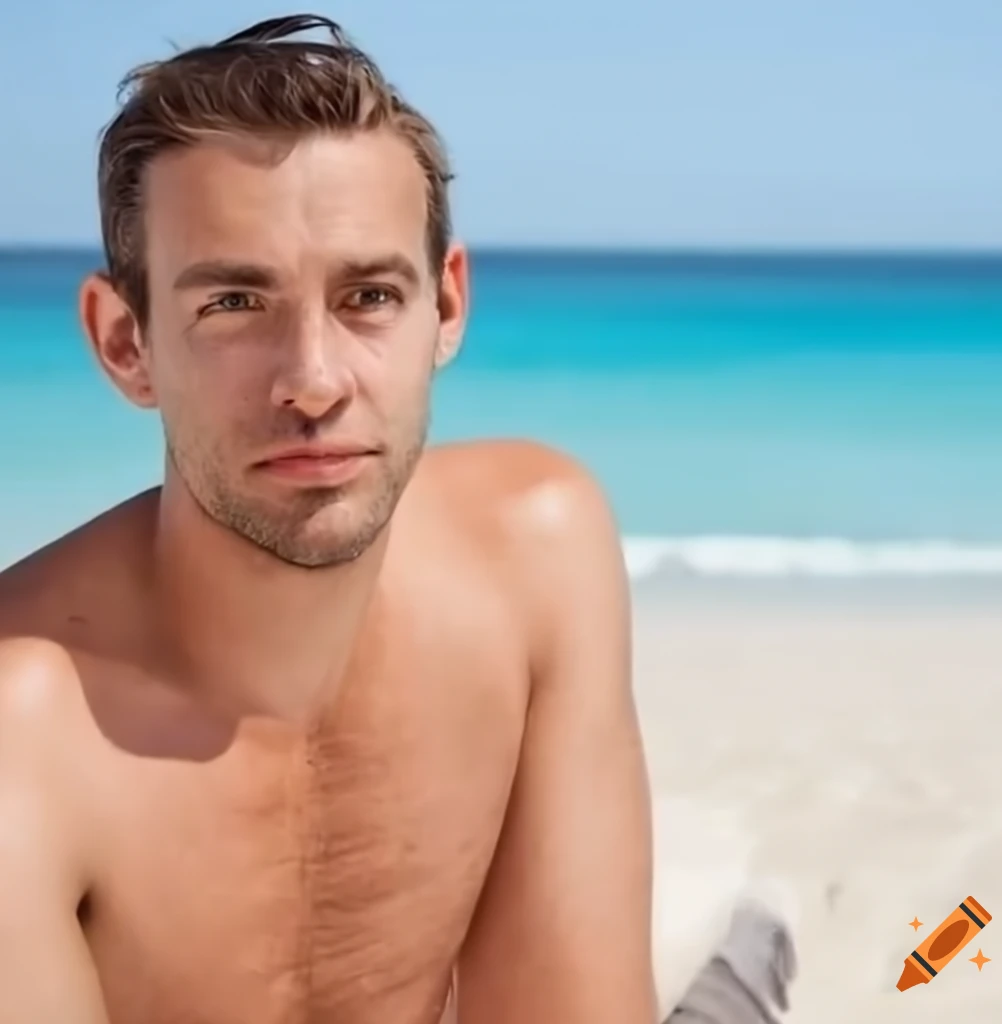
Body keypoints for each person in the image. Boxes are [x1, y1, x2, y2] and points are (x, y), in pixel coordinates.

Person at [0, 14, 658, 1024]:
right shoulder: (24, 738)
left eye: (366, 295)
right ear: (126, 344)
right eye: (233, 303)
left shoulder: (537, 556)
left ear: (444, 308)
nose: (312, 381)